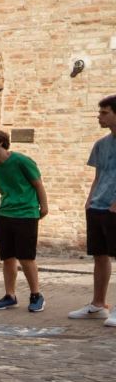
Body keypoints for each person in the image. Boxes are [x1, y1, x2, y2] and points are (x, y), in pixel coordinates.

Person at [0, 130, 48, 312]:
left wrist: (44, 206)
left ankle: (36, 295)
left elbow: (38, 184)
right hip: (4, 215)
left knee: (26, 257)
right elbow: (4, 191)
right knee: (8, 257)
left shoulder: (21, 161)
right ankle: (10, 296)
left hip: (26, 214)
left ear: (0, 143)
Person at [69, 94, 116, 324]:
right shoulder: (101, 144)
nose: (100, 116)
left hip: (115, 208)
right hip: (98, 206)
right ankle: (98, 305)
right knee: (100, 256)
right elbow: (98, 175)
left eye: (104, 113)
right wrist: (89, 200)